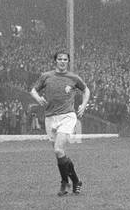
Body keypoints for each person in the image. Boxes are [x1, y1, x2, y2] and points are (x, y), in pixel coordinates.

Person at [30, 48, 91, 196]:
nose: (62, 61)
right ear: (55, 61)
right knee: (59, 153)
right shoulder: (46, 76)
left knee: (58, 149)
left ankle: (64, 183)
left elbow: (86, 90)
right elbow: (33, 90)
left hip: (67, 116)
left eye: (65, 59)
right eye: (60, 59)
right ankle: (75, 181)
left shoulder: (74, 78)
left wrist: (83, 105)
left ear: (68, 62)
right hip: (50, 117)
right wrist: (38, 98)